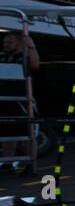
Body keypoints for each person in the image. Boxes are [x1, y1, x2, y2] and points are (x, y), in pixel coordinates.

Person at [0, 30, 39, 168]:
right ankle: (8, 162)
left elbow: (35, 64)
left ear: (18, 42)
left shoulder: (23, 56)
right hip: (4, 100)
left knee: (27, 133)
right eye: (5, 42)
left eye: (10, 42)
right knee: (6, 133)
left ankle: (30, 164)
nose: (6, 45)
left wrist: (31, 46)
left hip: (22, 101)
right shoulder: (2, 56)